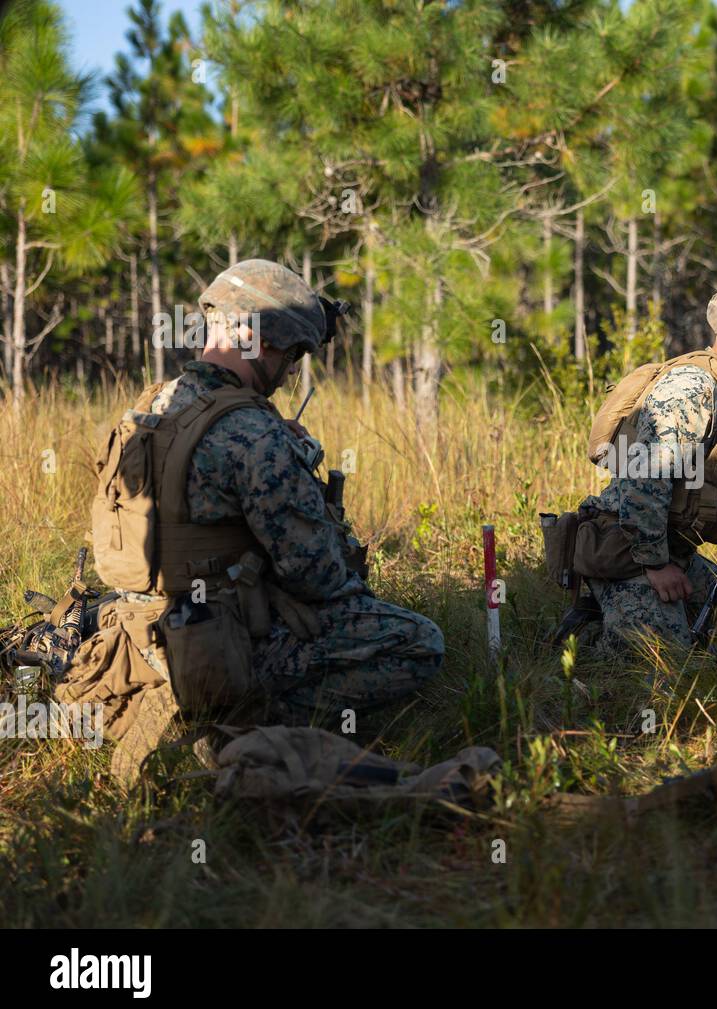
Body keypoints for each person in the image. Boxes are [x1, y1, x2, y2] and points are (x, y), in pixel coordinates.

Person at [67, 259, 444, 780]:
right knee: (418, 640)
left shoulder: (151, 405)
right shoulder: (253, 434)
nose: (292, 373)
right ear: (255, 339)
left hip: (142, 628)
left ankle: (175, 699)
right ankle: (229, 728)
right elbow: (320, 579)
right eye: (291, 356)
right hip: (218, 640)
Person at [577, 274, 717, 654]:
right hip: (628, 550)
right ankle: (585, 642)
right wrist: (655, 565)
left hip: (674, 549)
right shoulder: (693, 389)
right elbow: (644, 476)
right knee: (665, 664)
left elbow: (693, 469)